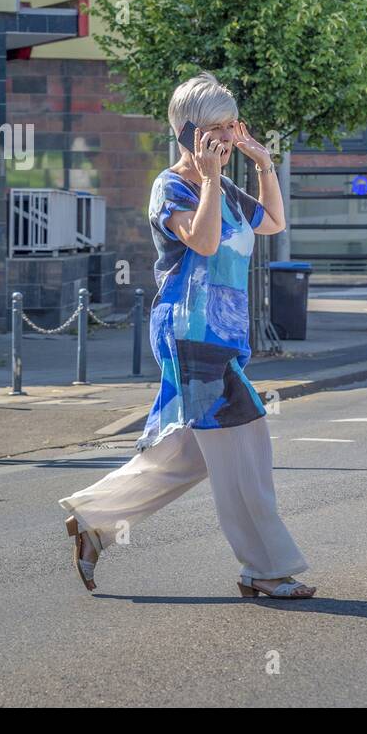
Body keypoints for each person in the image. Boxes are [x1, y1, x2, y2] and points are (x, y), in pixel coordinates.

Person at [59, 73, 315, 600]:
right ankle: (263, 568)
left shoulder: (223, 185)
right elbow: (202, 240)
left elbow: (271, 223)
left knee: (192, 454)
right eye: (215, 128)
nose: (225, 137)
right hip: (189, 334)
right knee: (247, 447)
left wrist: (262, 161)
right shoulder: (171, 186)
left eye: (231, 126)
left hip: (221, 337)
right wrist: (212, 178)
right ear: (187, 134)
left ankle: (92, 519)